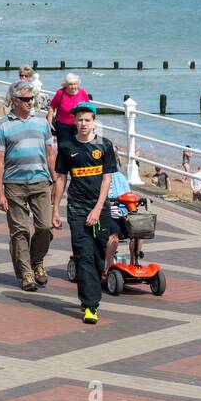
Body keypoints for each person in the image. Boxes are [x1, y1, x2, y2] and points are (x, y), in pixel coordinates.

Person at [52, 102, 116, 324]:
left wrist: (98, 209)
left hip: (100, 208)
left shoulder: (105, 146)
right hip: (76, 208)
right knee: (83, 254)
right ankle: (90, 305)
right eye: (79, 120)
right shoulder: (67, 146)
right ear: (74, 121)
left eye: (87, 120)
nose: (82, 124)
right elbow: (60, 178)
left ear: (93, 122)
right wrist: (55, 210)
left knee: (98, 254)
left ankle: (90, 294)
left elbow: (107, 179)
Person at [0, 79, 58, 292]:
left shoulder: (42, 124)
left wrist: (56, 180)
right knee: (19, 231)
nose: (30, 102)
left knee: (44, 227)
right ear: (14, 100)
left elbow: (50, 154)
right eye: (25, 99)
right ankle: (26, 272)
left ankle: (36, 260)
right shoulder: (2, 125)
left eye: (32, 99)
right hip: (14, 184)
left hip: (40, 182)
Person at [48, 72, 91, 149]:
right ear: (66, 85)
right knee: (63, 148)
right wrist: (49, 121)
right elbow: (52, 106)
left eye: (75, 84)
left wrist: (91, 123)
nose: (73, 86)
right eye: (70, 84)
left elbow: (89, 109)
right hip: (62, 126)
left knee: (78, 147)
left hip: (78, 125)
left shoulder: (82, 92)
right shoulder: (60, 93)